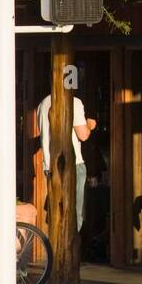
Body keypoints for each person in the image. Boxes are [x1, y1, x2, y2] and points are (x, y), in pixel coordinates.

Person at [38, 93, 96, 231]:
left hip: (50, 165)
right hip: (72, 165)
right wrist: (90, 125)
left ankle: (57, 248)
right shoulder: (73, 102)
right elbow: (83, 135)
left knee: (58, 211)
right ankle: (72, 249)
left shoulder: (43, 103)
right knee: (74, 213)